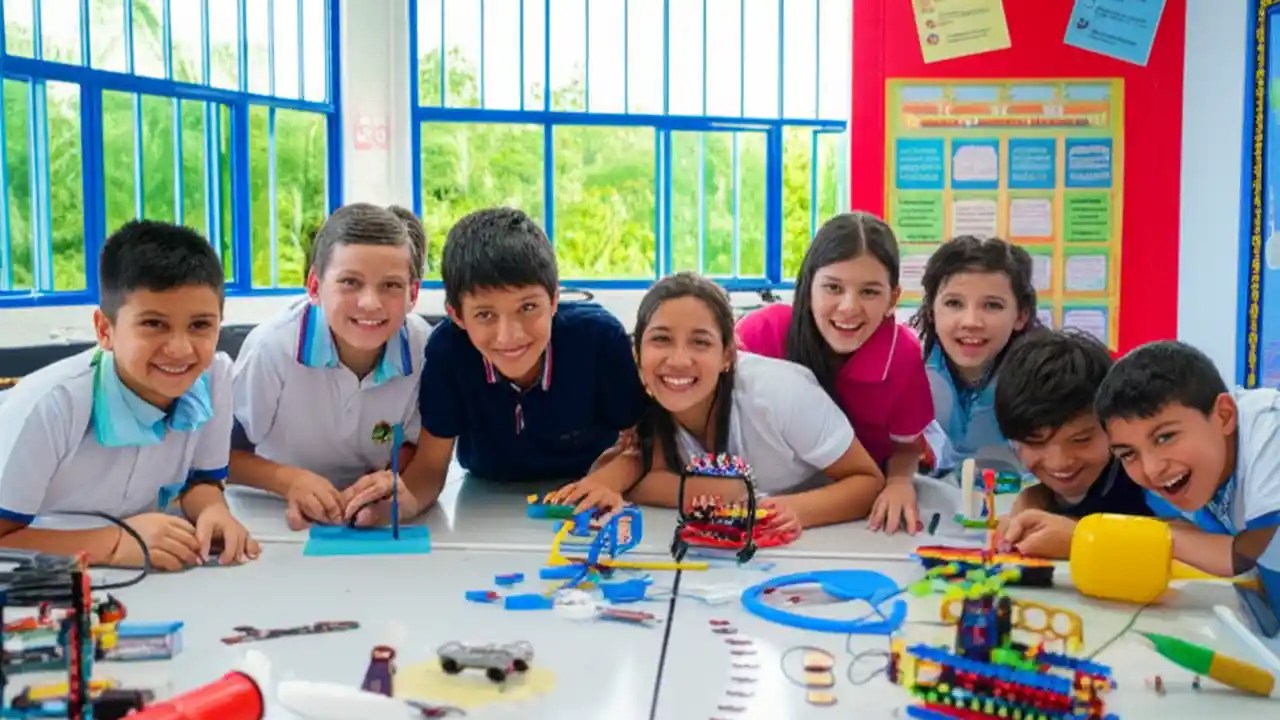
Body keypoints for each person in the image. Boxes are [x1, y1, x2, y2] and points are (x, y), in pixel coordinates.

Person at [342, 207, 647, 523]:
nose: (509, 335)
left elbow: (644, 444)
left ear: (554, 299)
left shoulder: (598, 340)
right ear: (457, 315)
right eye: (485, 315)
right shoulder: (448, 352)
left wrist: (605, 482)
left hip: (587, 508)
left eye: (528, 307)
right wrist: (403, 504)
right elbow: (430, 467)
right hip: (484, 503)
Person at [0, 220, 259, 569]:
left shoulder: (213, 379)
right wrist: (115, 544)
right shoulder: (50, 405)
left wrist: (212, 511)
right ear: (105, 330)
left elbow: (200, 480)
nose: (181, 349)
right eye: (154, 324)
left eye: (200, 325)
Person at [557, 272, 886, 532]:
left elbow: (868, 481)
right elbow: (641, 470)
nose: (679, 360)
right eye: (661, 339)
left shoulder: (780, 394)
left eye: (700, 342)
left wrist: (787, 510)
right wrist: (725, 494)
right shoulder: (644, 401)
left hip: (820, 538)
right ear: (638, 353)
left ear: (728, 355)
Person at [229, 204, 432, 530]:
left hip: (363, 519)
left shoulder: (422, 348)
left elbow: (412, 441)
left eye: (391, 285)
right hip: (270, 514)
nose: (370, 303)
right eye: (350, 282)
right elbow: (218, 457)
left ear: (413, 293)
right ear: (314, 286)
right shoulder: (273, 349)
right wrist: (288, 481)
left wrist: (388, 480)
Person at [735, 212, 933, 534]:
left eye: (870, 292)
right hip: (762, 497)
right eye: (833, 287)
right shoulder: (761, 332)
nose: (849, 307)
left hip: (857, 508)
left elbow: (907, 446)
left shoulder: (902, 355)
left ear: (893, 299)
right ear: (808, 286)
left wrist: (899, 482)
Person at [1093, 340, 1280, 610]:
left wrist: (1090, 536)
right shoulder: (1199, 468)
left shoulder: (1270, 431)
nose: (1151, 470)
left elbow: (1252, 553)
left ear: (1225, 415)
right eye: (1128, 453)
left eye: (1165, 437)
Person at [992, 329, 1151, 558]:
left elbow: (1191, 543)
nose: (1059, 462)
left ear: (1114, 426)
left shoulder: (1148, 476)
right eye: (1036, 443)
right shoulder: (1041, 494)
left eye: (1081, 440)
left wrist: (1084, 539)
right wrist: (1036, 498)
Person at [910, 235, 1040, 478]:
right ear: (931, 311)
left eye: (992, 305)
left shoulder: (1046, 381)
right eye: (954, 303)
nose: (971, 322)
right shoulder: (905, 374)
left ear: (1021, 316)